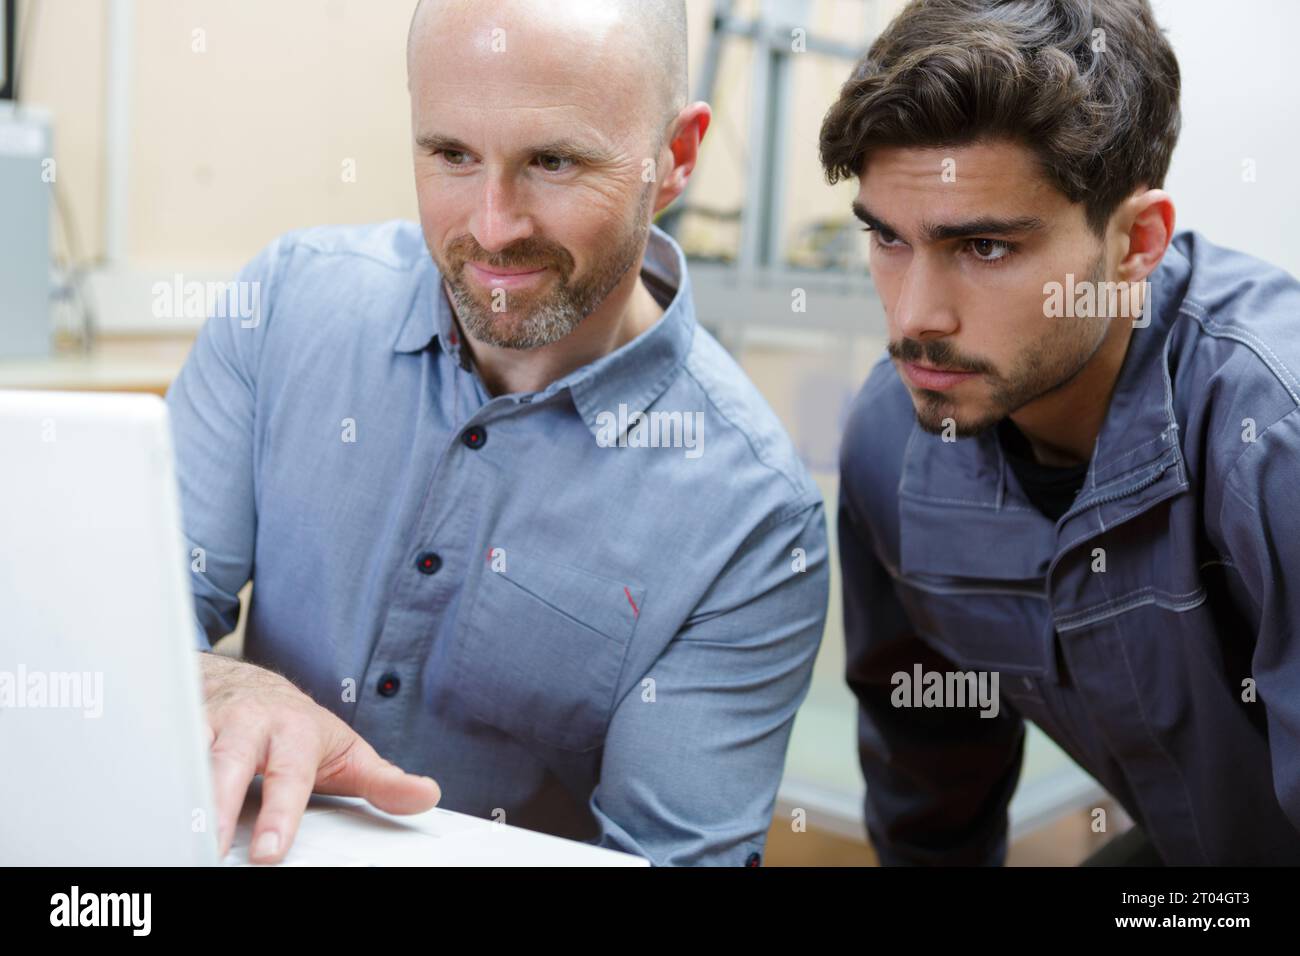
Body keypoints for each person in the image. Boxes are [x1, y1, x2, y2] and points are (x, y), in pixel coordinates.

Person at [168, 0, 828, 867]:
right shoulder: (285, 307)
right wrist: (218, 681)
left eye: (553, 161)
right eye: (450, 155)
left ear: (674, 159)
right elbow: (119, 627)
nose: (491, 226)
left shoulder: (753, 522)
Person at [823, 0, 1300, 864]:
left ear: (1136, 242)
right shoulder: (893, 440)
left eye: (985, 248)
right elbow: (931, 782)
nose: (916, 317)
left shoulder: (1273, 441)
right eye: (888, 239)